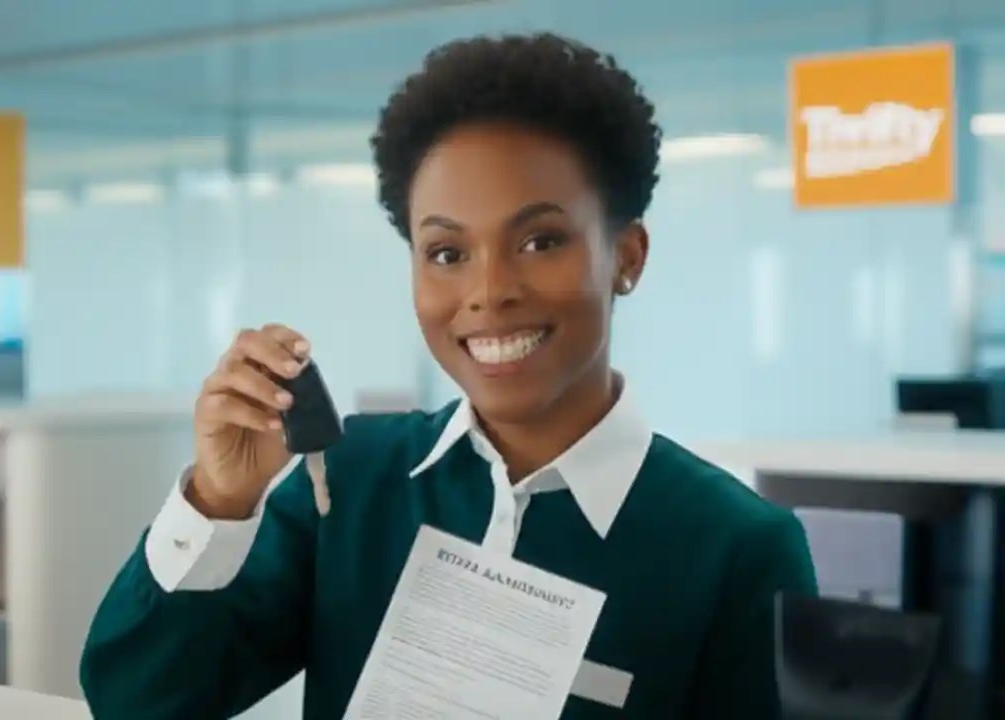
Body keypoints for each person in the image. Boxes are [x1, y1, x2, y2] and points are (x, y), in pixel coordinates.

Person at [79, 32, 817, 719]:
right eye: (446, 252)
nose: (488, 290)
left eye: (540, 240)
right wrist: (218, 500)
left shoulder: (735, 546)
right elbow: (137, 699)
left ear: (626, 257)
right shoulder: (349, 483)